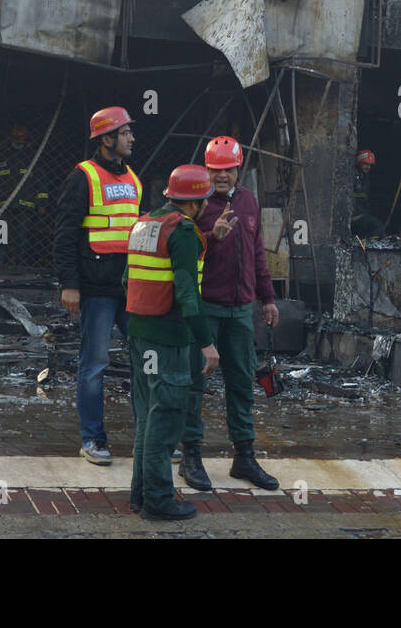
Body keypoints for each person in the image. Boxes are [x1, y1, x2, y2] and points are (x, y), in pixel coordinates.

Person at [180, 136, 280, 492]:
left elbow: (257, 254)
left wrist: (267, 298)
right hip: (205, 308)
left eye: (227, 170)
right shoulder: (196, 204)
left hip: (241, 311)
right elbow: (183, 251)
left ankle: (244, 456)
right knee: (195, 383)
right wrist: (212, 235)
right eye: (214, 170)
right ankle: (190, 455)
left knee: (241, 383)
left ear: (239, 169)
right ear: (206, 169)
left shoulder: (250, 202)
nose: (221, 176)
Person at [124, 164, 219, 521]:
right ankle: (159, 501)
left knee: (148, 418)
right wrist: (206, 343)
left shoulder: (144, 223)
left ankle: (141, 494)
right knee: (165, 421)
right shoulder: (182, 232)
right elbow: (187, 295)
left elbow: (126, 280)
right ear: (196, 201)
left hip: (140, 335)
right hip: (168, 341)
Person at [53, 106, 142, 465]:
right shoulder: (82, 178)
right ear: (107, 139)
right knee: (94, 364)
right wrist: (69, 284)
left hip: (131, 288)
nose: (132, 138)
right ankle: (93, 440)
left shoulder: (133, 178)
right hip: (95, 289)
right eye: (125, 133)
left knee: (145, 361)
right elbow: (64, 235)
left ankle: (149, 439)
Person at [0, 124, 50, 265]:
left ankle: (19, 265)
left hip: (25, 206)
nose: (18, 137)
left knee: (22, 239)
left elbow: (41, 182)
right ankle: (0, 263)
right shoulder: (0, 157)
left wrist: (42, 204)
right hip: (1, 207)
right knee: (0, 238)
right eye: (16, 133)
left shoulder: (33, 157)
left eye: (21, 134)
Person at [351, 149, 385, 239]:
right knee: (376, 225)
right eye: (365, 164)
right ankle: (372, 247)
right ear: (359, 163)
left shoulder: (365, 180)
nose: (368, 167)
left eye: (370, 165)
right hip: (353, 216)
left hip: (361, 214)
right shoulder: (352, 176)